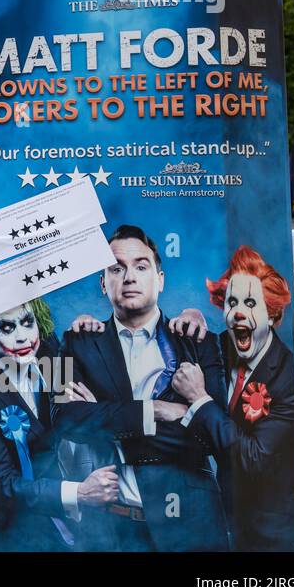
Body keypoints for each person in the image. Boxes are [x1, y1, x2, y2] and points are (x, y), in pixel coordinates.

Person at [52, 224, 228, 551]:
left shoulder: (198, 341)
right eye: (117, 268)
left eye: (141, 267)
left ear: (160, 279)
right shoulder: (77, 342)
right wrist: (155, 411)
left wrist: (107, 425)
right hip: (111, 529)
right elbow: (64, 418)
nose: (129, 277)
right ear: (103, 283)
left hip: (191, 522)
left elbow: (212, 434)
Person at [172, 245, 294, 551]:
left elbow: (253, 458)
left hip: (271, 528)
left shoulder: (286, 374)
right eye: (232, 302)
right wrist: (191, 314)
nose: (238, 312)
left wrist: (200, 400)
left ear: (272, 314)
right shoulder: (219, 346)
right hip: (220, 515)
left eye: (250, 302)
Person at [0, 296, 120, 551]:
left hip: (74, 517)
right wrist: (80, 492)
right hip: (14, 526)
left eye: (27, 322)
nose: (22, 337)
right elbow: (2, 485)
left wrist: (84, 329)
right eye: (6, 328)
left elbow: (76, 415)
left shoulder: (48, 350)